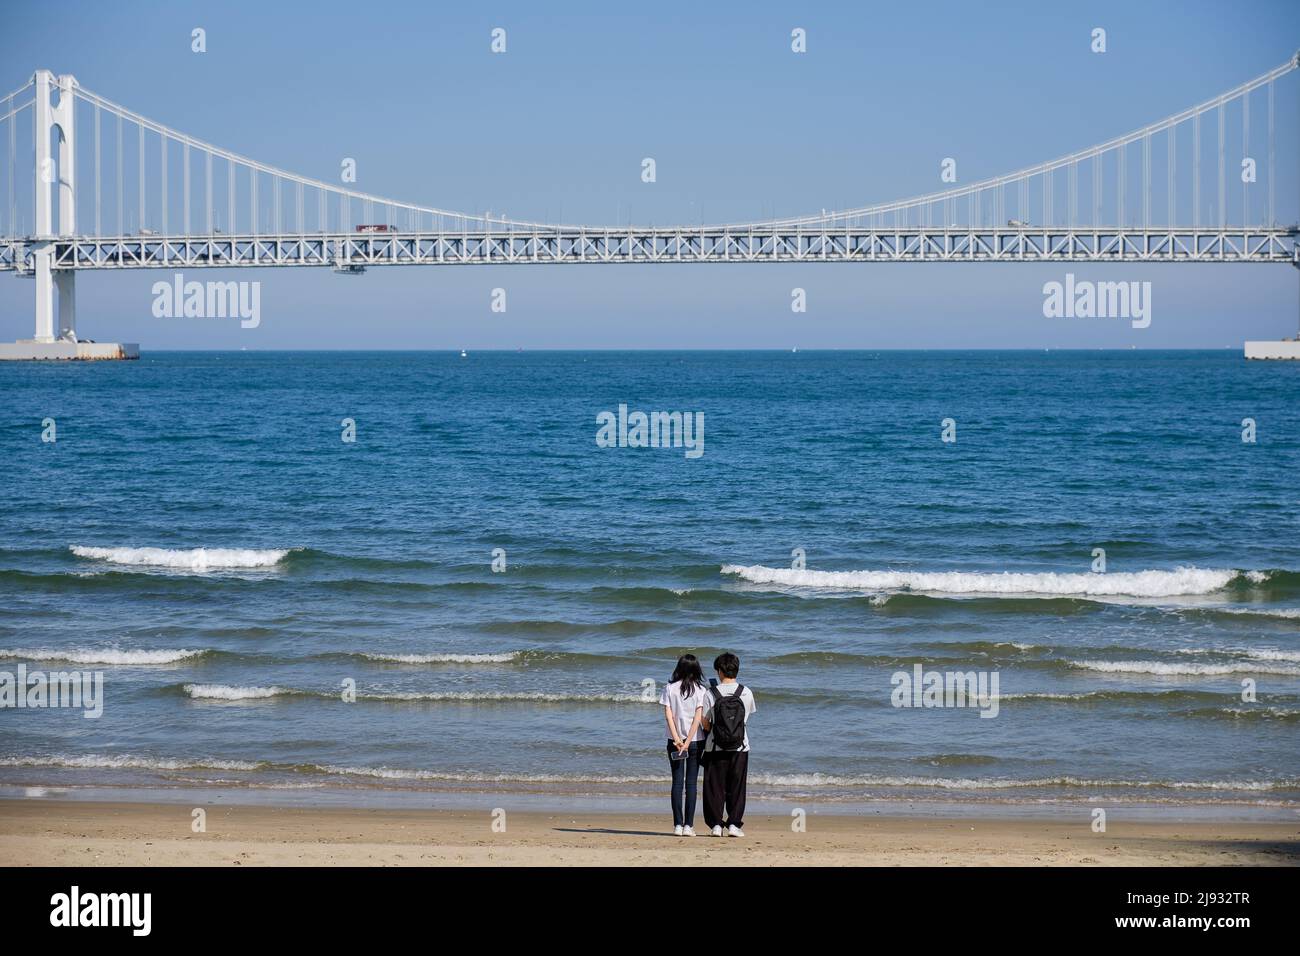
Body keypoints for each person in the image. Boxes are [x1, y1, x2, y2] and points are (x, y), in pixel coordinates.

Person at [700, 652, 755, 837]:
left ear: (720, 671)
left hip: (715, 746)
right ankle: (734, 825)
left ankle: (716, 825)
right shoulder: (746, 692)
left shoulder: (711, 693)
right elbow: (746, 718)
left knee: (714, 787)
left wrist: (714, 730)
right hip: (740, 746)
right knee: (737, 787)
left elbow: (705, 722)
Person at [659, 654, 709, 836]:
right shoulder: (701, 690)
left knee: (677, 782)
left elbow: (668, 716)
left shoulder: (669, 688)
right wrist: (687, 742)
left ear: (679, 668)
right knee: (691, 784)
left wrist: (677, 740)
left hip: (674, 742)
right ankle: (689, 826)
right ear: (696, 670)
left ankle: (678, 826)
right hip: (695, 741)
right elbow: (698, 718)